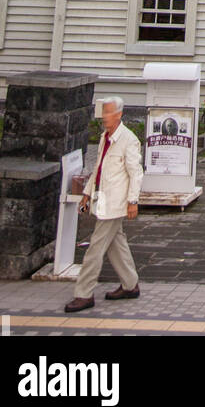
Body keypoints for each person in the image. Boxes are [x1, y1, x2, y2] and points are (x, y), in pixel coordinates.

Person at [65, 96, 144, 313]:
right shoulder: (105, 137)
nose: (103, 117)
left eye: (108, 112)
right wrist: (87, 193)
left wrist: (132, 202)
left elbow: (136, 173)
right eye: (103, 112)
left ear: (118, 115)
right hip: (104, 200)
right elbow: (98, 167)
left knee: (95, 248)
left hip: (116, 203)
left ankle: (83, 293)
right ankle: (130, 285)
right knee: (116, 243)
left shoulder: (129, 140)